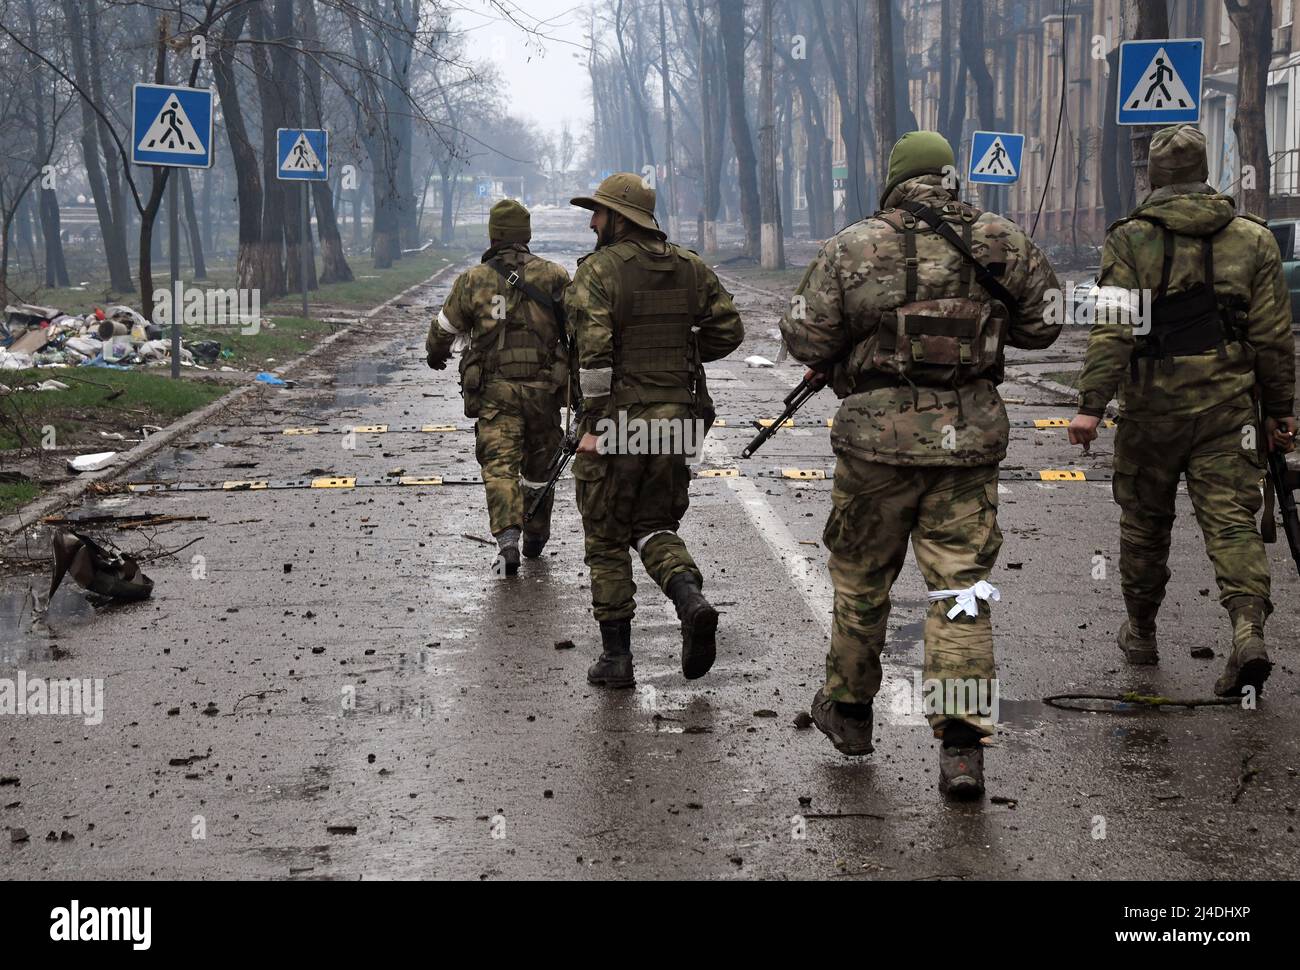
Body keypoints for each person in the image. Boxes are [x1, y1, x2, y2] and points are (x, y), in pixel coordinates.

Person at [780, 131, 1062, 799]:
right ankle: (961, 747)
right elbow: (1045, 324)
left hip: (875, 445)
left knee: (860, 579)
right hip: (967, 443)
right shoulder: (1001, 240)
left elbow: (805, 336)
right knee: (961, 589)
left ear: (895, 179)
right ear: (950, 177)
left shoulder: (852, 245)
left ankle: (850, 713)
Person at [1068, 124, 1296, 697]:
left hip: (1152, 413)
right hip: (1230, 411)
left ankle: (1142, 634)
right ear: (1204, 172)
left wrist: (1091, 405)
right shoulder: (1254, 239)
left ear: (1154, 177)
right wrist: (1280, 410)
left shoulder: (1130, 239)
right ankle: (1247, 631)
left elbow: (1113, 329)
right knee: (1233, 524)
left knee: (1145, 525)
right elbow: (1273, 336)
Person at [565, 173, 743, 687]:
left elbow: (594, 358)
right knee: (654, 524)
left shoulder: (599, 271)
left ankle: (617, 659)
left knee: (606, 538)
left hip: (618, 425)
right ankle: (690, 600)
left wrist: (594, 427)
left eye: (598, 212)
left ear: (619, 218)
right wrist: (680, 351)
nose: (592, 222)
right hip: (678, 424)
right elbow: (729, 330)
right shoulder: (690, 267)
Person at [426, 199, 572, 575]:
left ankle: (508, 541)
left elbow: (443, 330)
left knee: (500, 465)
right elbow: (579, 330)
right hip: (543, 392)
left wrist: (435, 356)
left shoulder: (474, 280)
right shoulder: (555, 276)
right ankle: (536, 533)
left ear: (493, 235)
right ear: (527, 235)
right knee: (540, 466)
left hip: (496, 393)